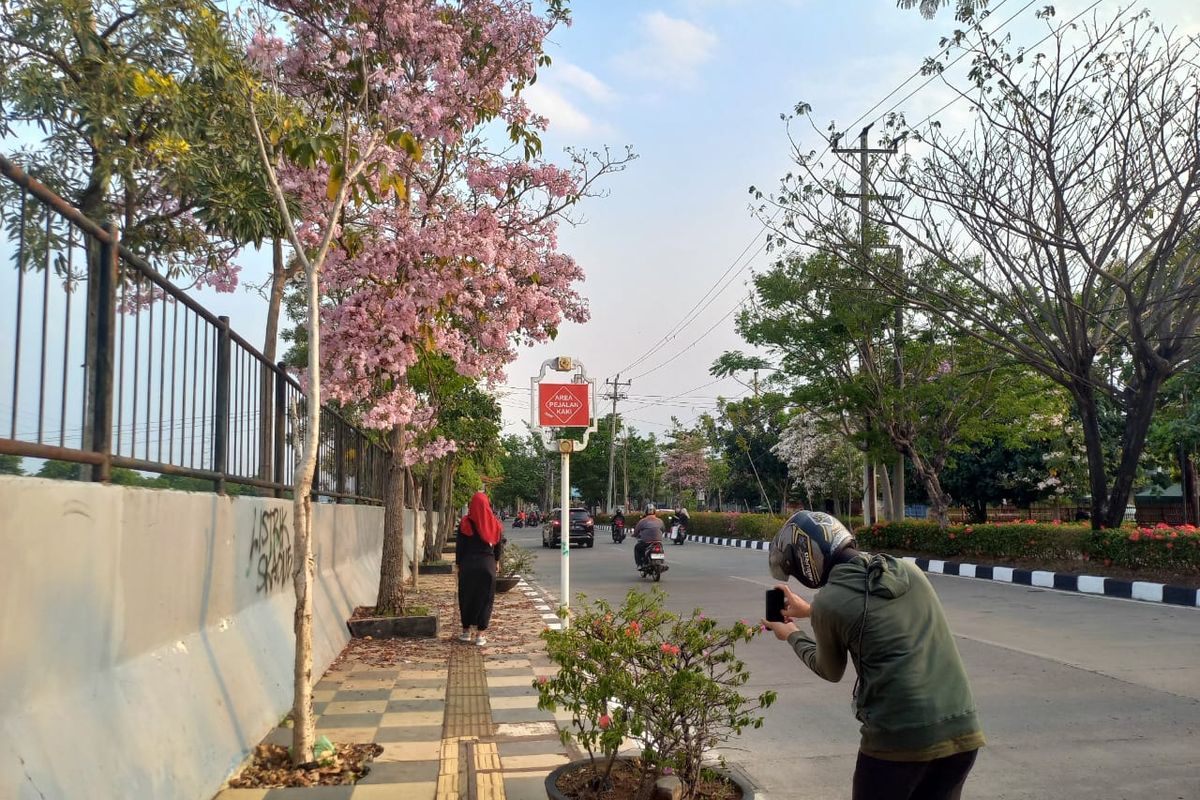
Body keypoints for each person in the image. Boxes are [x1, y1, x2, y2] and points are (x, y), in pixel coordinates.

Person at [761, 511, 985, 800]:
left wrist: (790, 633)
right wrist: (810, 612)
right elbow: (876, 613)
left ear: (808, 558)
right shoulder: (906, 571)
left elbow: (830, 670)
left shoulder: (831, 602)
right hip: (962, 732)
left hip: (899, 739)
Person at [455, 490, 504, 646]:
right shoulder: (494, 523)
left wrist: (458, 564)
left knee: (466, 597)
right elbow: (498, 545)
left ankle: (466, 632)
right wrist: (496, 561)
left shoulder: (465, 523)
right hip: (487, 565)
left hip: (468, 565)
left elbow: (460, 547)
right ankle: (480, 635)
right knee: (485, 599)